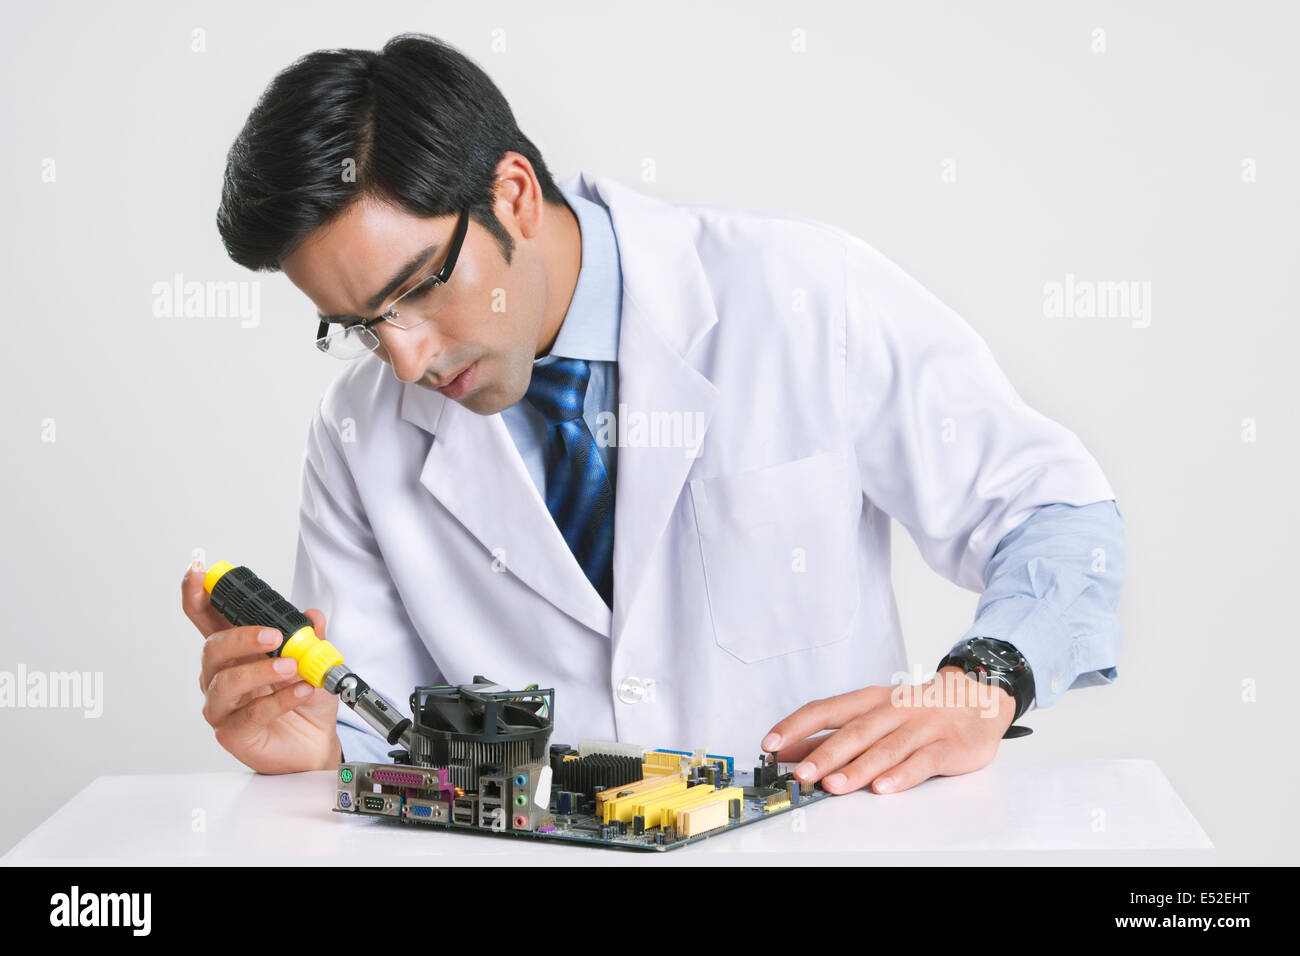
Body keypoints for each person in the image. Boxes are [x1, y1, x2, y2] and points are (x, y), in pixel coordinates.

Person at [181, 32, 1124, 797]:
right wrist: (324, 755)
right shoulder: (359, 438)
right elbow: (392, 737)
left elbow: (1054, 512)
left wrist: (981, 684)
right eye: (358, 327)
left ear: (511, 192)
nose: (407, 358)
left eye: (420, 288)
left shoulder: (800, 295)